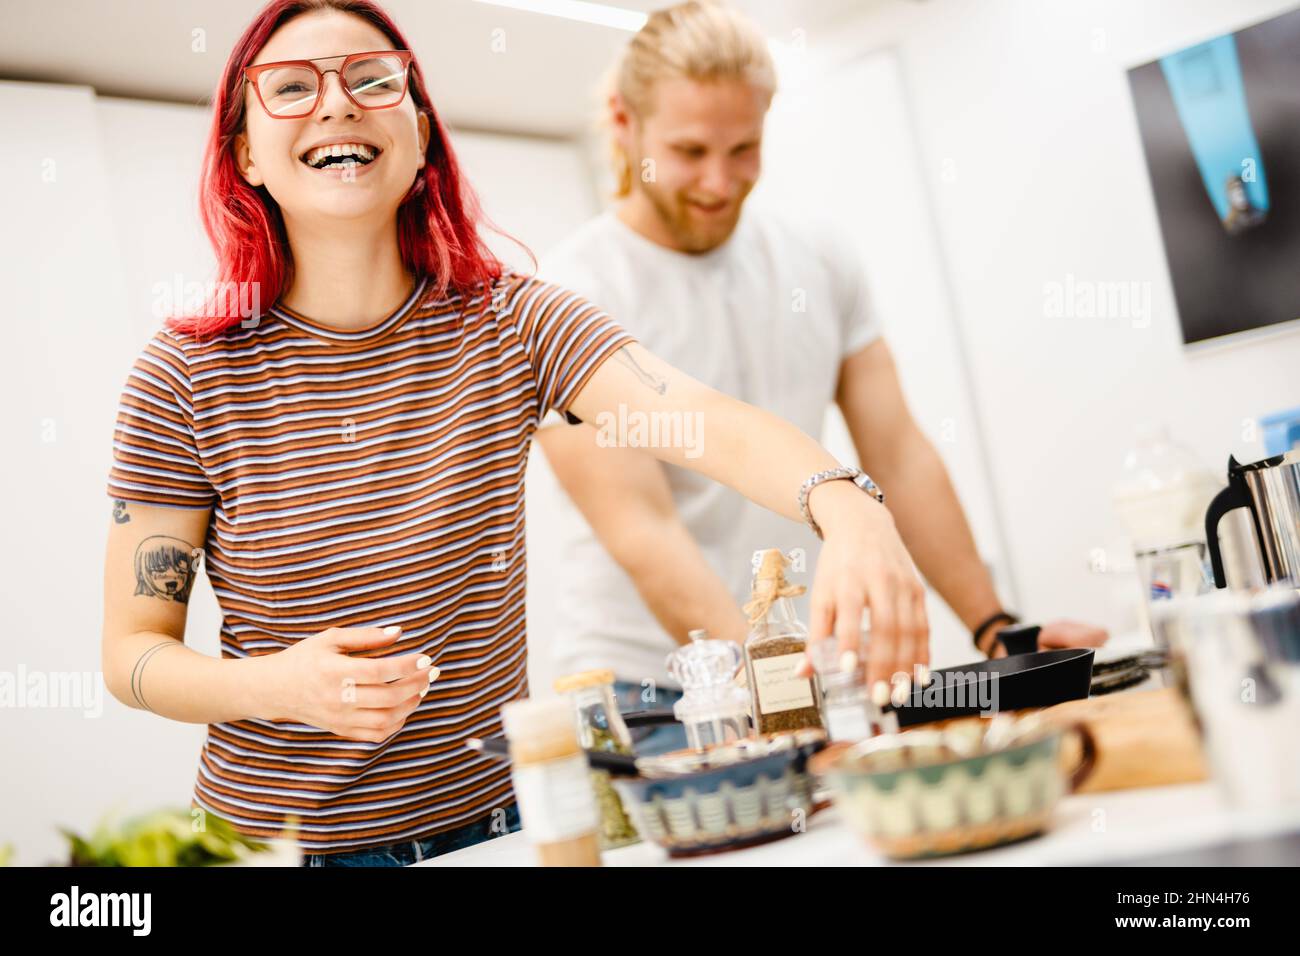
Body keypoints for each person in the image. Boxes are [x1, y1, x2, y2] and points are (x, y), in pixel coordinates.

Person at [101, 0, 927, 866]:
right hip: (281, 847)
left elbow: (708, 422)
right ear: (244, 154)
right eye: (292, 88)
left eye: (373, 79)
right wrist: (282, 685)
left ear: (420, 134)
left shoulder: (513, 325)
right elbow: (132, 653)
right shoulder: (185, 377)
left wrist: (854, 511)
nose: (337, 104)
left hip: (504, 828)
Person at [536, 1, 1107, 754]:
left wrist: (995, 626)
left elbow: (897, 456)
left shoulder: (818, 257)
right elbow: (647, 531)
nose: (718, 180)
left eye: (743, 148)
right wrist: (778, 695)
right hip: (651, 694)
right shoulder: (568, 292)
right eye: (688, 150)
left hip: (791, 675)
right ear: (623, 121)